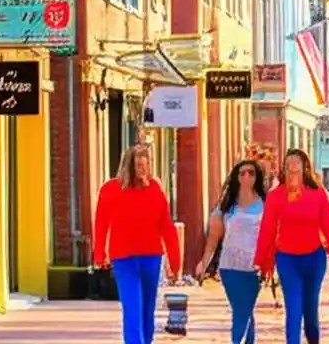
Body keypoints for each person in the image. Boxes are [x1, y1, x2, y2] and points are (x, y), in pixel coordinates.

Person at [254, 148, 329, 344]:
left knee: (310, 310)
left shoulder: (317, 194)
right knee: (293, 309)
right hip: (287, 259)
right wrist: (260, 261)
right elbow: (267, 230)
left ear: (304, 169)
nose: (292, 170)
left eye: (297, 166)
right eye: (289, 167)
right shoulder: (275, 197)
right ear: (284, 170)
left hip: (314, 258)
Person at [93, 144, 181, 344]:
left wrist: (175, 263)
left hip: (151, 257)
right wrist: (99, 254)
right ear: (128, 166)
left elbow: (167, 226)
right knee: (132, 308)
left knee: (147, 309)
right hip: (123, 258)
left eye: (146, 165)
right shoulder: (110, 189)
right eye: (138, 165)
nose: (143, 170)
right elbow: (101, 223)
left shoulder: (155, 189)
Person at [196, 160, 268, 344]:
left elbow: (272, 237)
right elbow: (213, 241)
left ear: (257, 177)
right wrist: (203, 264)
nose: (246, 177)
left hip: (255, 268)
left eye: (251, 173)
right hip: (230, 268)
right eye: (242, 173)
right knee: (241, 310)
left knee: (246, 310)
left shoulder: (266, 205)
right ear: (236, 177)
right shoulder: (226, 207)